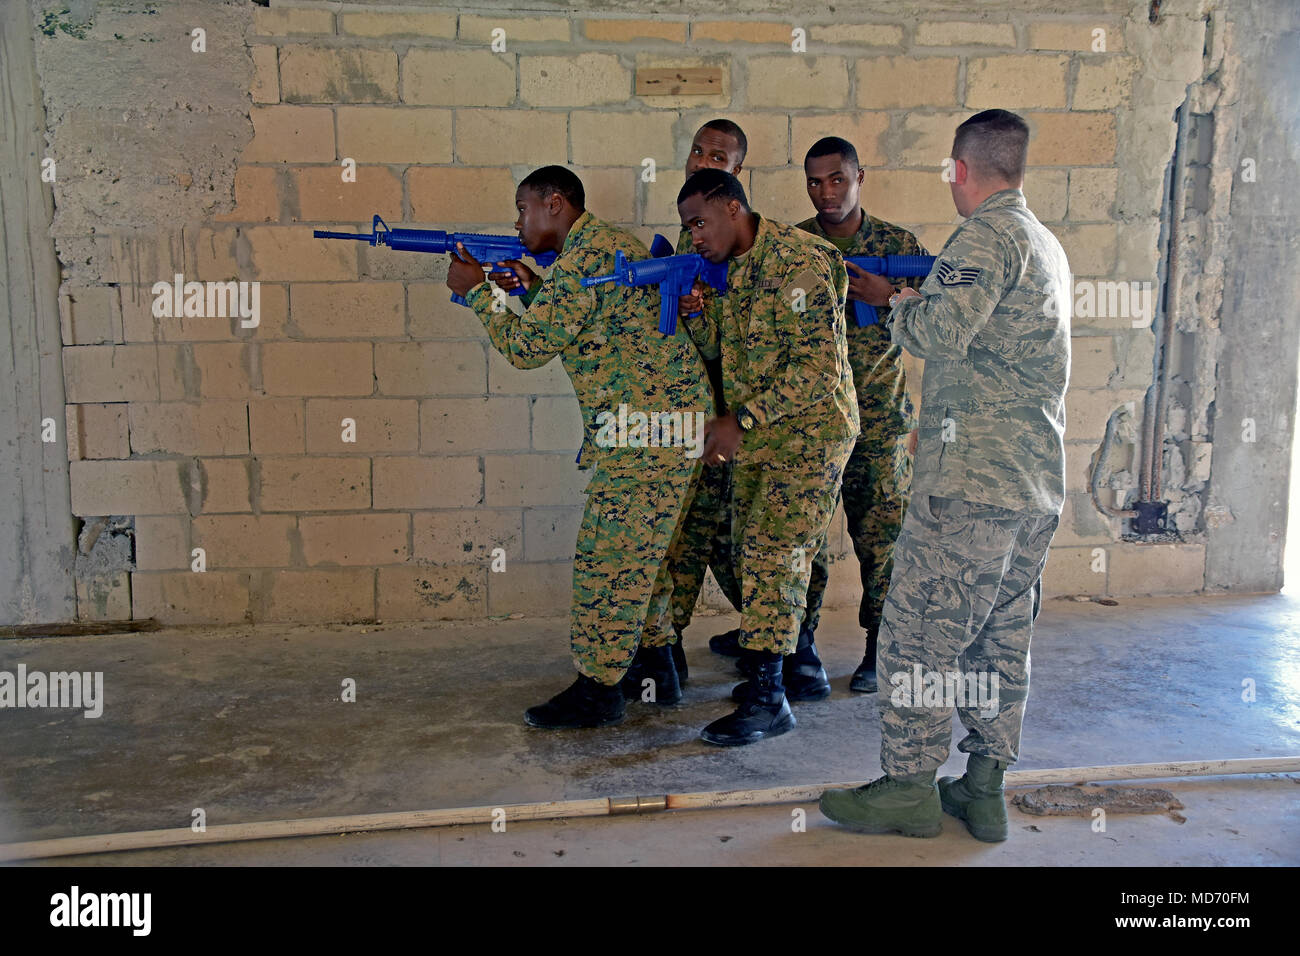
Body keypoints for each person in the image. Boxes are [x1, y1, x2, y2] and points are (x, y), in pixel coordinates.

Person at [818, 109, 1071, 840]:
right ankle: (983, 787)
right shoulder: (1045, 242)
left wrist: (893, 302)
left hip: (972, 487)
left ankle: (908, 788)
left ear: (960, 170)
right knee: (999, 639)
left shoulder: (985, 235)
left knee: (919, 638)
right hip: (1031, 485)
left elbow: (938, 331)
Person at [446, 166, 711, 728]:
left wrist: (477, 295)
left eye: (523, 208)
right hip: (667, 426)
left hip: (647, 434)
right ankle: (657, 667)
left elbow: (527, 346)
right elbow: (595, 323)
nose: (518, 222)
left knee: (608, 556)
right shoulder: (602, 247)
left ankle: (600, 689)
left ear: (555, 203)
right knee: (648, 555)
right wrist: (536, 287)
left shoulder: (583, 260)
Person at [676, 168, 859, 746]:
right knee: (745, 551)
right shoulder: (722, 269)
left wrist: (741, 421)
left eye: (700, 223)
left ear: (733, 208)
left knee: (772, 552)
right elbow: (718, 350)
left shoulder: (797, 263)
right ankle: (794, 664)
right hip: (761, 435)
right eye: (688, 228)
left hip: (810, 433)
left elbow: (817, 371)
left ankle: (768, 697)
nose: (695, 237)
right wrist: (697, 312)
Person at [793, 136, 930, 699]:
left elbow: (937, 325)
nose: (827, 192)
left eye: (838, 180)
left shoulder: (898, 245)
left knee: (883, 544)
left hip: (879, 424)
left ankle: (882, 649)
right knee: (805, 547)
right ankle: (800, 651)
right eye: (816, 182)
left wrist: (889, 293)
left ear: (859, 177)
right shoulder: (797, 245)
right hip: (814, 425)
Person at [659, 119, 750, 679]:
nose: (703, 160)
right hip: (693, 419)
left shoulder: (756, 246)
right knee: (684, 538)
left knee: (758, 540)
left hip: (749, 421)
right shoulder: (679, 242)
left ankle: (786, 650)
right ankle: (665, 654)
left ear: (738, 174)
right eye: (697, 151)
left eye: (718, 155)